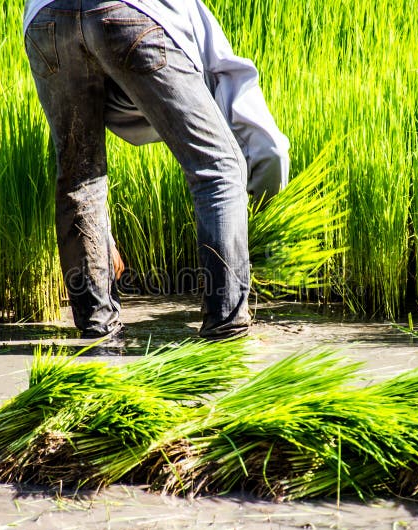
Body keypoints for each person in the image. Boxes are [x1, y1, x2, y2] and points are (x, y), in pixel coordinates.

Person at [23, 0, 289, 340]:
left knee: (79, 177)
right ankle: (227, 329)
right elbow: (272, 151)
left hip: (45, 18)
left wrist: (100, 240)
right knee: (221, 168)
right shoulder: (209, 49)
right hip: (131, 12)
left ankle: (97, 334)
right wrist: (263, 203)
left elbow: (78, 170)